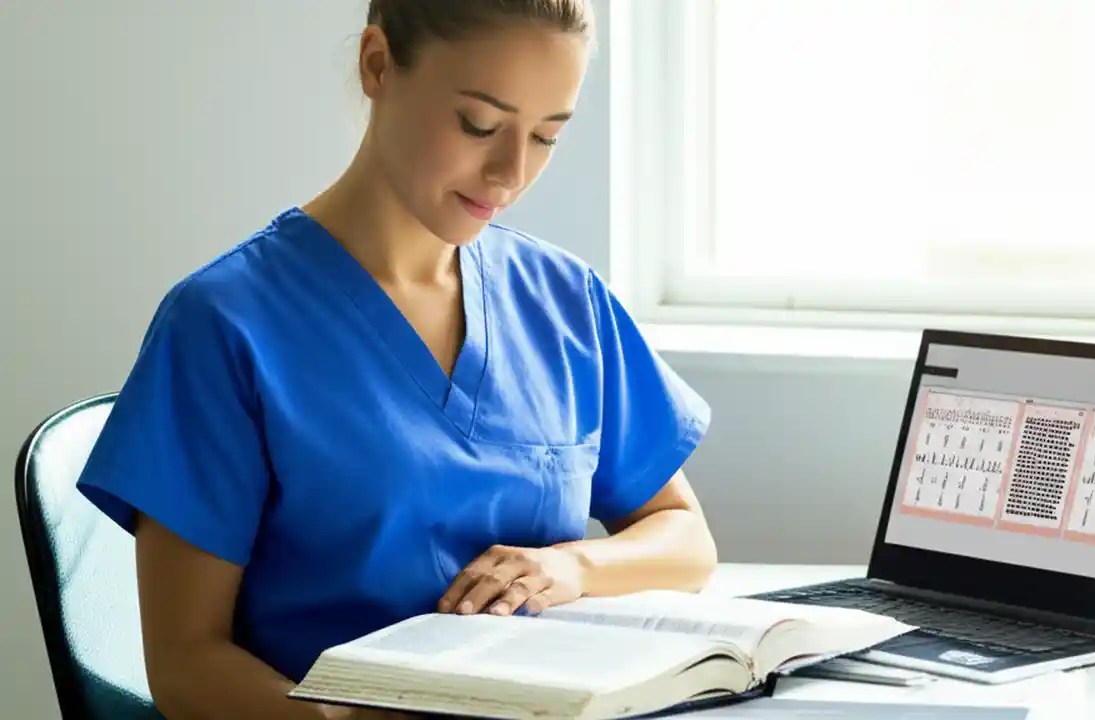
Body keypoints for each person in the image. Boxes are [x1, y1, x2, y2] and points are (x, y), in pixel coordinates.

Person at [75, 1, 717, 718]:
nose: (510, 173)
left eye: (545, 137)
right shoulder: (225, 326)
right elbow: (186, 666)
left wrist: (571, 566)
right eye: (479, 125)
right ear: (377, 64)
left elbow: (685, 540)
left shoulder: (565, 301)